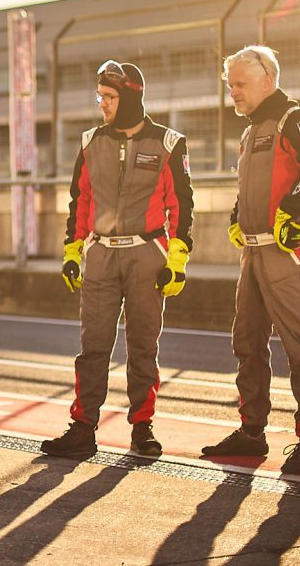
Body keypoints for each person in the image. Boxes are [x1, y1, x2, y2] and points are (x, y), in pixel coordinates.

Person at [43, 60, 194, 460]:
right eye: (100, 97)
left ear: (129, 97)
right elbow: (80, 200)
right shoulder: (90, 141)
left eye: (109, 97)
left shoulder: (168, 143)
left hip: (147, 254)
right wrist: (72, 251)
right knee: (92, 346)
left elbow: (181, 206)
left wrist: (177, 259)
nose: (103, 104)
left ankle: (142, 427)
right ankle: (83, 428)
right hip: (101, 255)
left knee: (143, 346)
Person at [201, 45, 300, 475]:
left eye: (240, 84)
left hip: (287, 251)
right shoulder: (249, 131)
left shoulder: (293, 119)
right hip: (253, 253)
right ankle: (251, 431)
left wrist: (291, 208)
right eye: (230, 86)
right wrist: (237, 217)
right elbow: (249, 187)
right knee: (247, 342)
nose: (234, 92)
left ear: (267, 81)